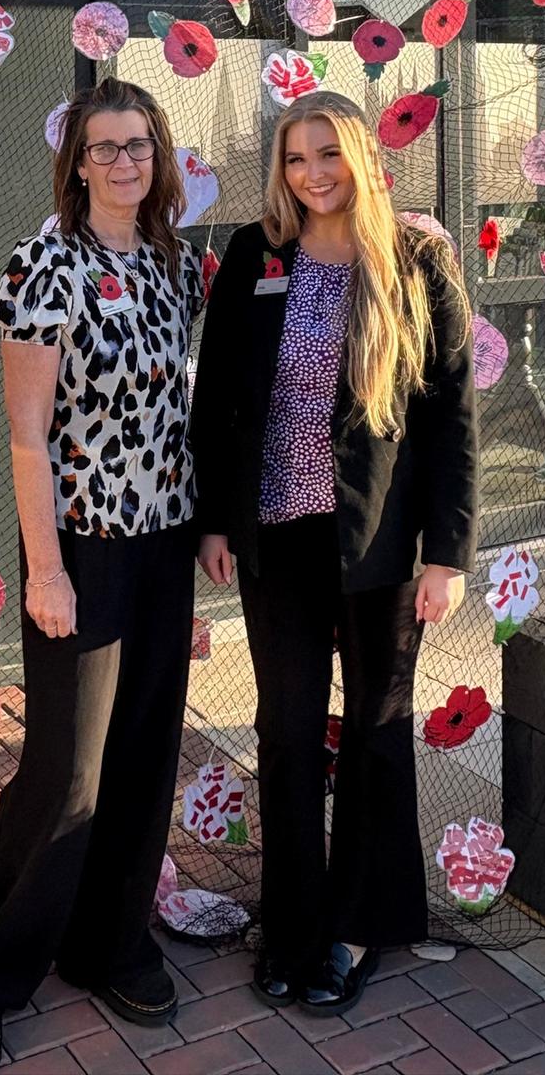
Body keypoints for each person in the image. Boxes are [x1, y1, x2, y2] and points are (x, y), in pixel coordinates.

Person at [0, 77, 205, 1075]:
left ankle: (111, 941)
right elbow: (24, 434)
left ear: (158, 153)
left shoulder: (177, 263)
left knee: (144, 753)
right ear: (77, 161)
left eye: (139, 143)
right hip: (82, 549)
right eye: (106, 147)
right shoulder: (45, 261)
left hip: (165, 540)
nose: (125, 161)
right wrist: (44, 568)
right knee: (68, 771)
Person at [191, 90, 476, 1017]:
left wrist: (448, 553)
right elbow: (217, 397)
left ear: (358, 155)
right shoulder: (254, 255)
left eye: (327, 155)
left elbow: (449, 419)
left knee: (376, 732)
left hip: (382, 547)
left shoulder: (418, 260)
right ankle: (293, 923)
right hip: (276, 538)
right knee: (283, 731)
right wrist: (214, 521)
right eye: (294, 159)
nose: (312, 174)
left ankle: (357, 929)